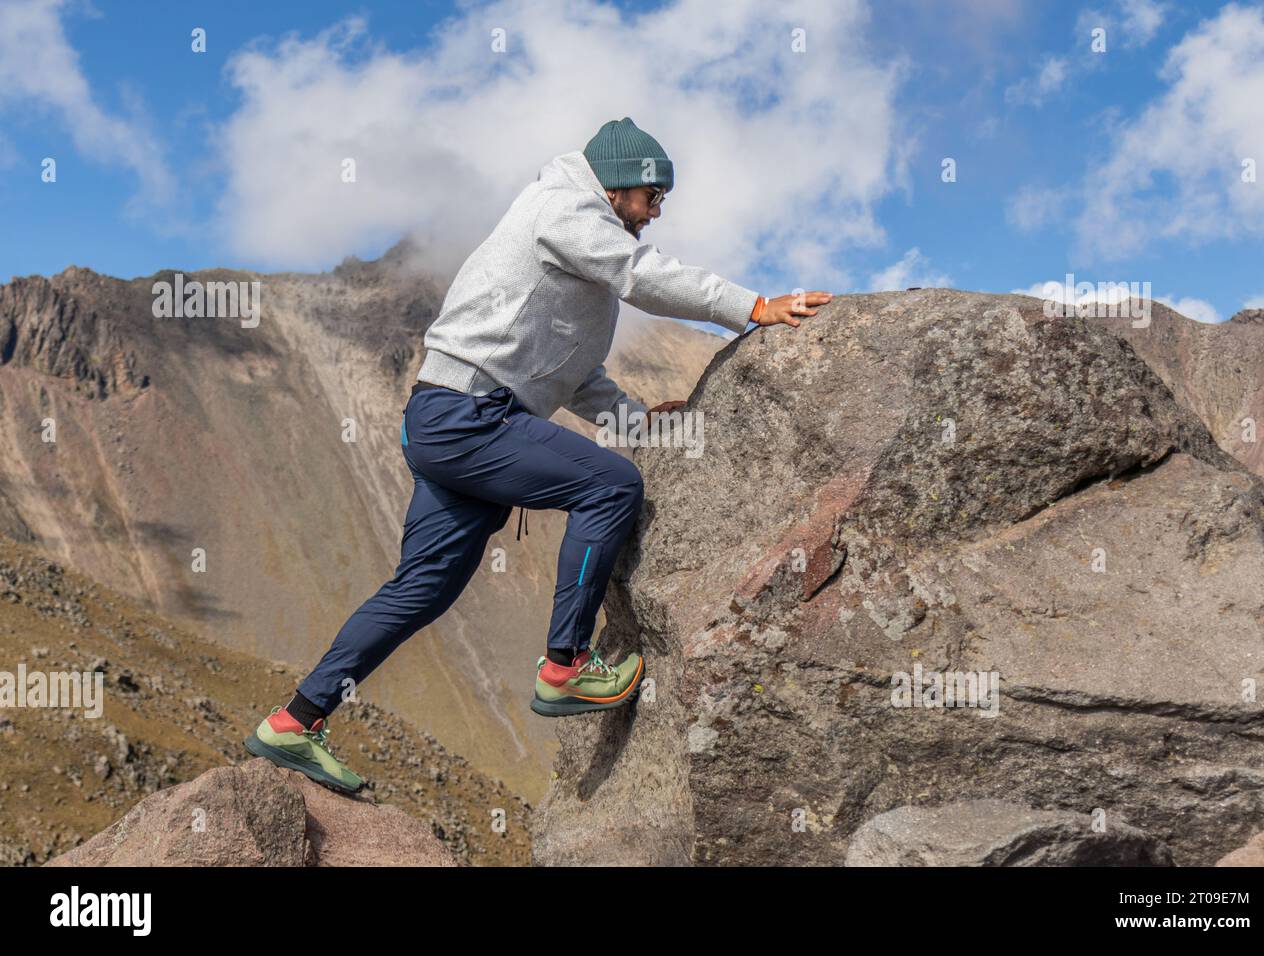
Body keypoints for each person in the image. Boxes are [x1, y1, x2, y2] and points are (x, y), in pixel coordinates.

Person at [244, 117, 833, 792]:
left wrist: (641, 425)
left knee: (421, 589)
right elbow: (642, 275)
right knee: (610, 486)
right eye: (652, 193)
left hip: (446, 420)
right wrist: (753, 306)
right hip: (469, 417)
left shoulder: (577, 245)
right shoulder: (565, 209)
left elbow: (575, 378)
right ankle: (566, 666)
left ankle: (294, 721)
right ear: (618, 185)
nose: (658, 208)